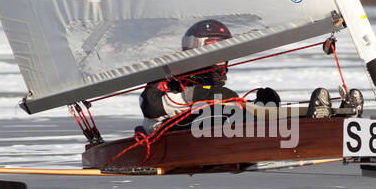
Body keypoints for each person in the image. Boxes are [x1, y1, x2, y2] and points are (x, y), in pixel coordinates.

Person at [137, 19, 359, 132]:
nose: (219, 59)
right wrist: (208, 95)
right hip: (171, 135)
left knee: (253, 108)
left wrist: (262, 105)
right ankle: (313, 123)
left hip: (216, 129)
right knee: (224, 110)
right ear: (196, 50)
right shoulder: (170, 80)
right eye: (213, 49)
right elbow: (151, 106)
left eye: (223, 51)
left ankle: (330, 118)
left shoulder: (217, 92)